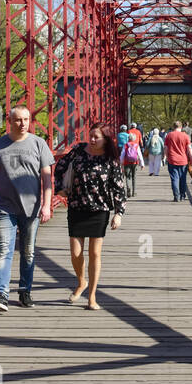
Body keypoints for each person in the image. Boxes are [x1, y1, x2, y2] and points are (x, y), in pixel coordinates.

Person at [0, 105, 54, 312]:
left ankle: (24, 290)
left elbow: (47, 179)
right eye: (18, 120)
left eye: (26, 119)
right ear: (9, 121)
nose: (22, 124)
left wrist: (47, 205)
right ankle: (1, 294)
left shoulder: (39, 144)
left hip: (31, 208)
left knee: (28, 251)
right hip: (4, 207)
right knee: (4, 250)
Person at [53, 125, 126, 310]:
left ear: (106, 140)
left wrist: (119, 213)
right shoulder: (78, 150)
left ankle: (92, 297)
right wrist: (60, 187)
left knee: (95, 254)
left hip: (99, 209)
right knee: (76, 253)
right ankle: (81, 282)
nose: (92, 140)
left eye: (96, 137)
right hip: (77, 206)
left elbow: (118, 187)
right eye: (91, 136)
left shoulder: (111, 159)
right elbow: (60, 166)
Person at [164, 121, 192, 201]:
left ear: (173, 126)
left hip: (172, 160)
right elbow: (189, 149)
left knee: (174, 179)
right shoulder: (185, 136)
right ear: (181, 127)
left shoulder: (169, 135)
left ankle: (176, 196)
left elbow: (166, 148)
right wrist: (191, 158)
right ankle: (182, 195)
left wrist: (165, 157)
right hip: (183, 160)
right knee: (183, 178)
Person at [120, 128, 142, 197]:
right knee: (134, 177)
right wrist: (142, 164)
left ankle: (128, 189)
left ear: (128, 138)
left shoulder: (126, 145)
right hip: (135, 163)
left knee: (127, 177)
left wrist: (121, 163)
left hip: (127, 162)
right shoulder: (136, 145)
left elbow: (122, 154)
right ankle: (134, 192)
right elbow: (139, 154)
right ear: (134, 138)